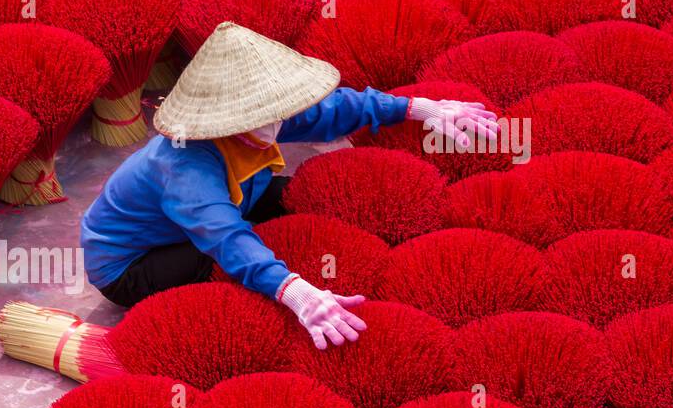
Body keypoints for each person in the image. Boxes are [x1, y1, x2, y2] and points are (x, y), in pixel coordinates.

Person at [80, 22, 498, 350]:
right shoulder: (184, 167)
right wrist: (298, 294)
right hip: (134, 264)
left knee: (305, 199)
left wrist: (417, 107)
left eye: (276, 110)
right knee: (237, 265)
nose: (275, 122)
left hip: (226, 207)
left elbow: (336, 109)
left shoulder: (265, 115)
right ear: (225, 116)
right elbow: (225, 237)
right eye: (260, 115)